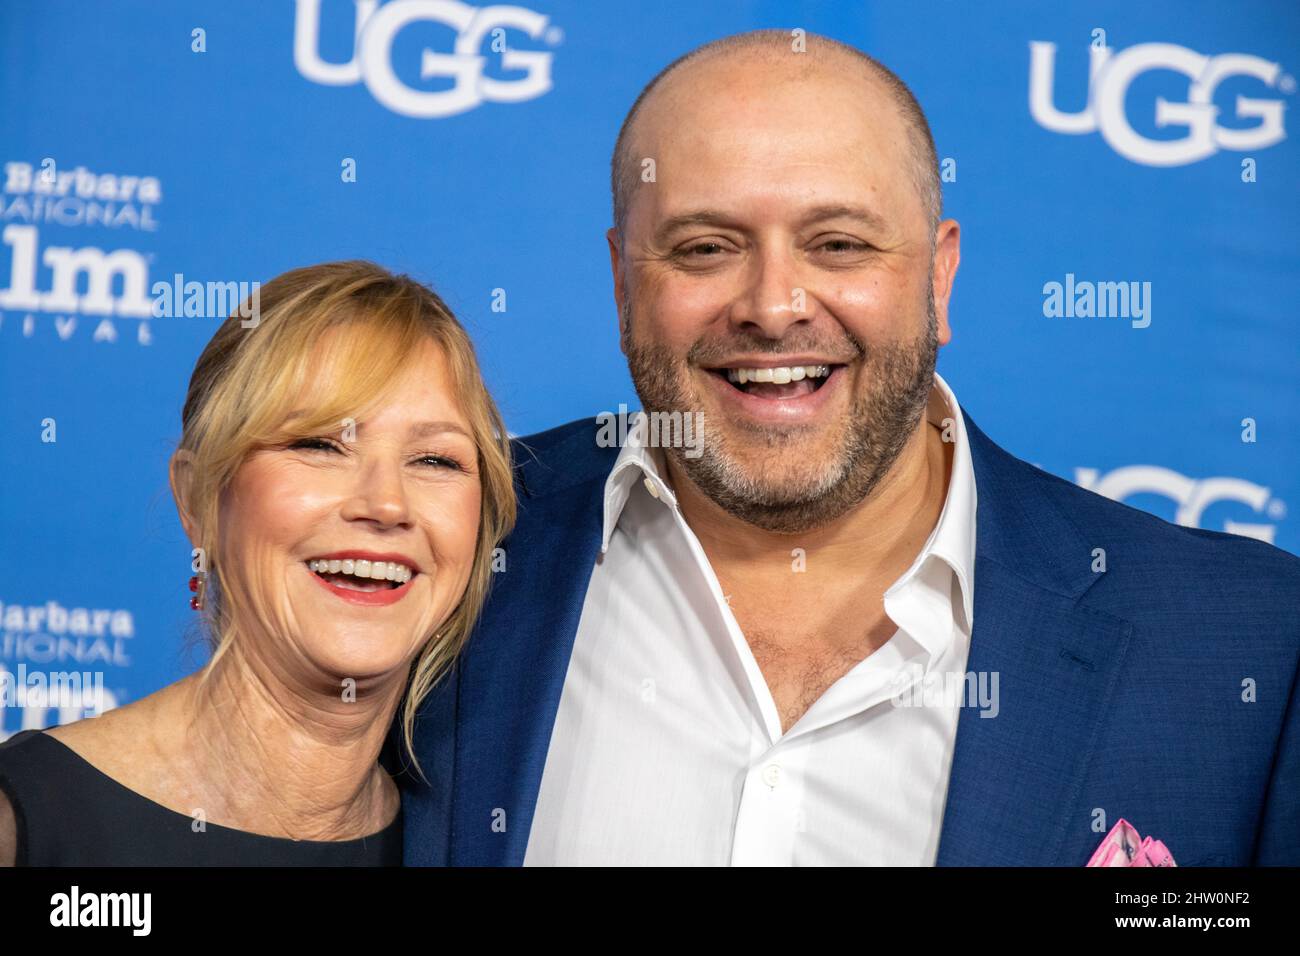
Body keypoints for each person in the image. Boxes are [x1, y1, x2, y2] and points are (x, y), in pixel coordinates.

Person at [398, 30, 1300, 866]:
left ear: (940, 277)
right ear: (622, 282)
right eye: (706, 247)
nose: (774, 304)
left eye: (838, 244)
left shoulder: (1245, 644)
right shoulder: (445, 542)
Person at [0, 260, 515, 865]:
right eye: (319, 444)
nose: (386, 504)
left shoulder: (489, 840)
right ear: (199, 500)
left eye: (434, 460)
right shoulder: (25, 822)